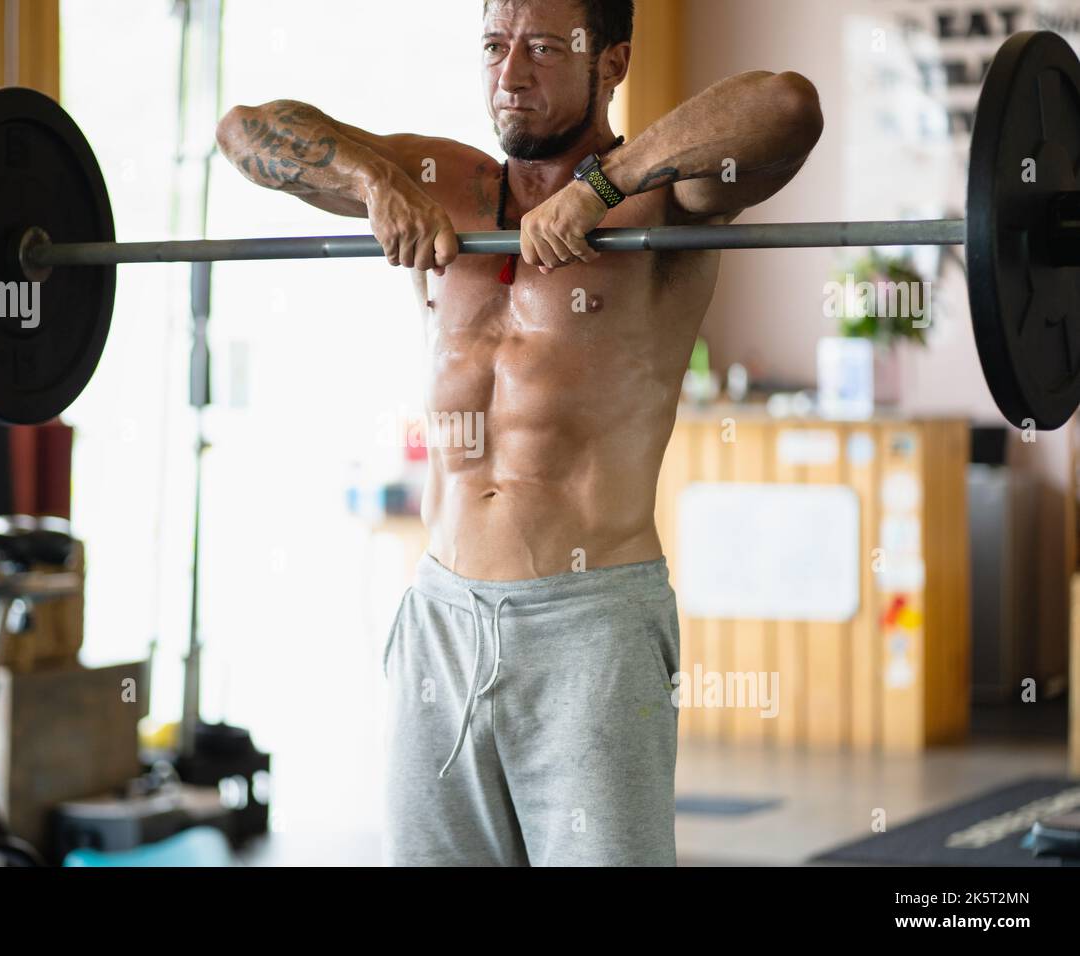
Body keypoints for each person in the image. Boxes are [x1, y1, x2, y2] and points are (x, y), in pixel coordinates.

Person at [215, 0, 822, 865]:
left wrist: (600, 189)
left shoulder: (666, 197)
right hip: (440, 616)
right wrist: (372, 183)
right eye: (496, 47)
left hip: (591, 626)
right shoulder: (441, 180)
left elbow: (787, 107)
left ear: (611, 65)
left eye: (542, 48)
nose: (511, 75)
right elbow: (245, 132)